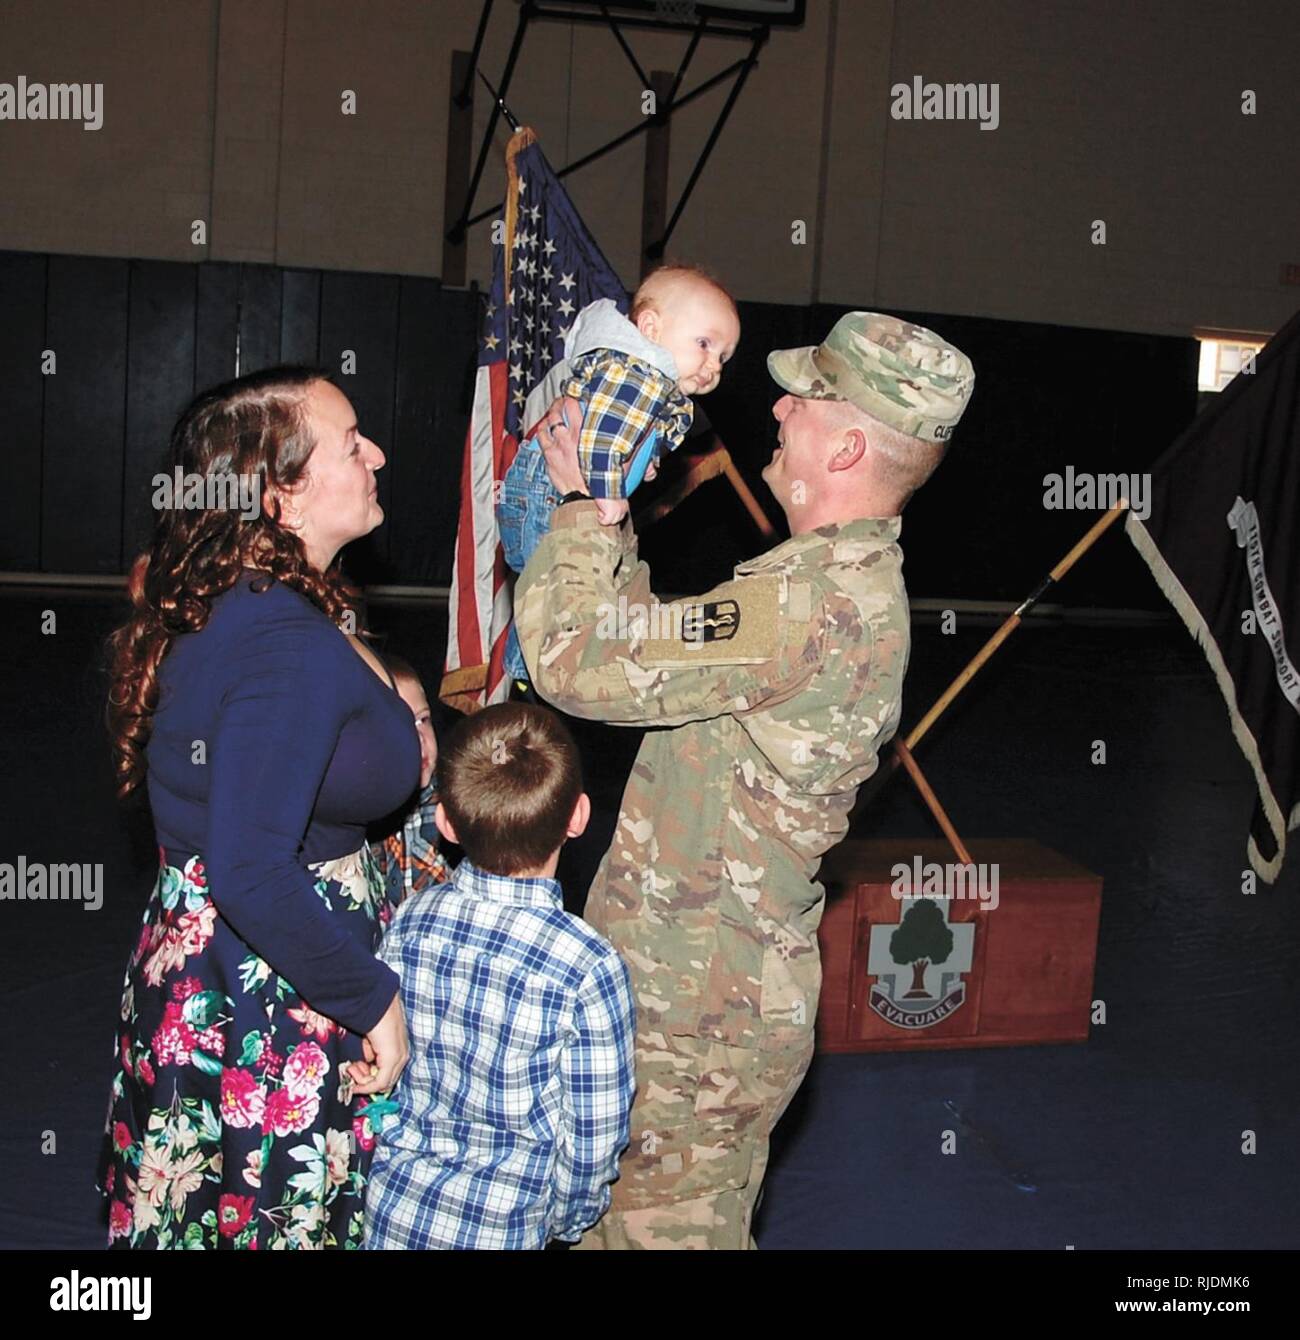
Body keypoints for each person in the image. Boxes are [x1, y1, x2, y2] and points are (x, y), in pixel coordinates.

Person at [515, 312, 975, 1249]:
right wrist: (610, 521)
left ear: (846, 444)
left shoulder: (808, 604)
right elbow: (661, 667)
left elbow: (574, 657)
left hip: (700, 1013)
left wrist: (571, 506)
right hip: (703, 989)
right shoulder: (823, 587)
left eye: (804, 396)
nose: (776, 405)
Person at [99, 366, 414, 1249]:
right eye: (352, 444)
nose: (377, 454)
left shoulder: (240, 600)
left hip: (229, 971)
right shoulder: (285, 640)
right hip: (274, 989)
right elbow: (249, 869)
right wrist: (372, 997)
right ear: (282, 493)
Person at [363, 702, 637, 1250]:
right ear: (578, 817)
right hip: (505, 1227)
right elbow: (593, 1139)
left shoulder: (411, 919)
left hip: (392, 1210)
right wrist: (565, 1221)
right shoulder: (588, 967)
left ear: (445, 822)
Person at [496, 263, 740, 687]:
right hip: (547, 491)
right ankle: (530, 670)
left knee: (550, 581)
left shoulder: (656, 386)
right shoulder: (638, 373)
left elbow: (633, 434)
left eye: (722, 356)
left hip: (555, 492)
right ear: (649, 327)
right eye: (703, 343)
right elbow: (603, 442)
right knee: (547, 582)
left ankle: (532, 667)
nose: (712, 365)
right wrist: (608, 494)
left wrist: (645, 461)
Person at [370, 653, 456, 923]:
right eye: (402, 723)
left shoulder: (457, 804)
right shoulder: (356, 814)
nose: (419, 737)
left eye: (423, 720)